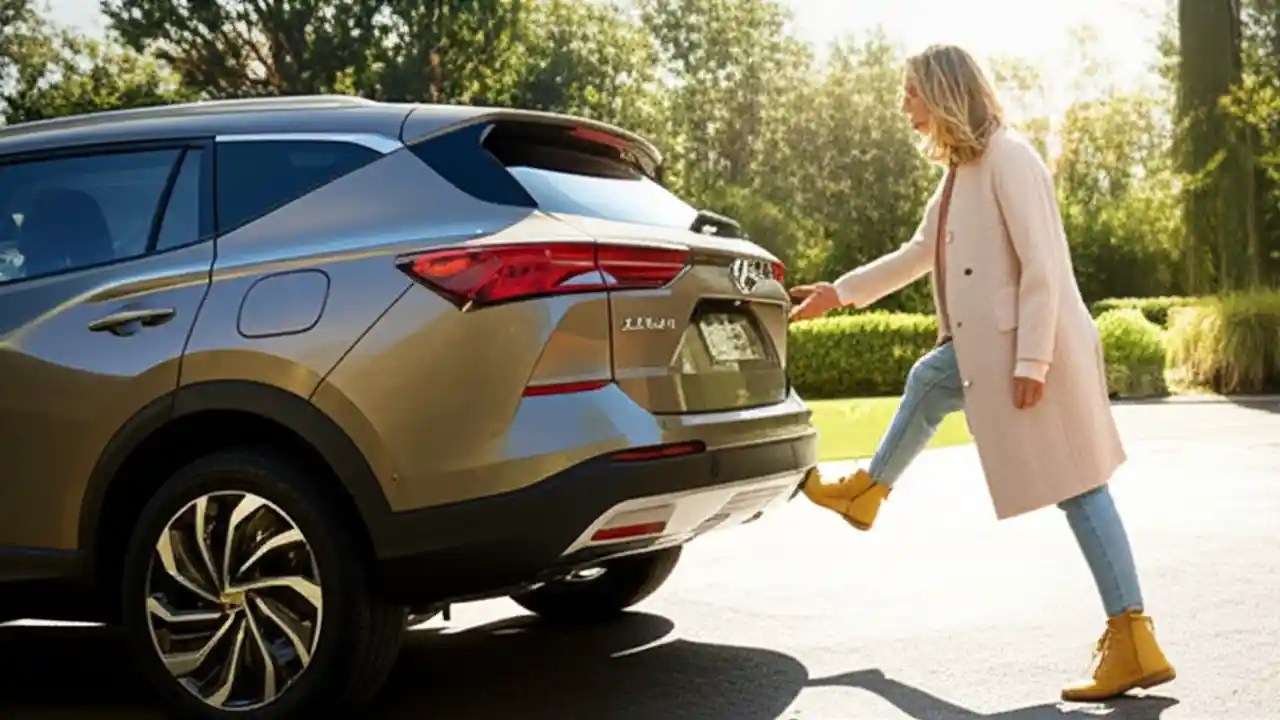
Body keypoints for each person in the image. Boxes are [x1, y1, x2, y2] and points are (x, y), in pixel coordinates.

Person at [787, 44, 1175, 702]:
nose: (903, 107)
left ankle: (1133, 637)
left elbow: (1043, 265)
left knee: (1081, 487)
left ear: (943, 92)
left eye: (911, 93)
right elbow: (917, 253)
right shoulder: (960, 172)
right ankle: (867, 491)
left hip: (1028, 348)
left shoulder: (1009, 158)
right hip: (987, 351)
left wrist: (1032, 360)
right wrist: (838, 293)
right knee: (930, 382)